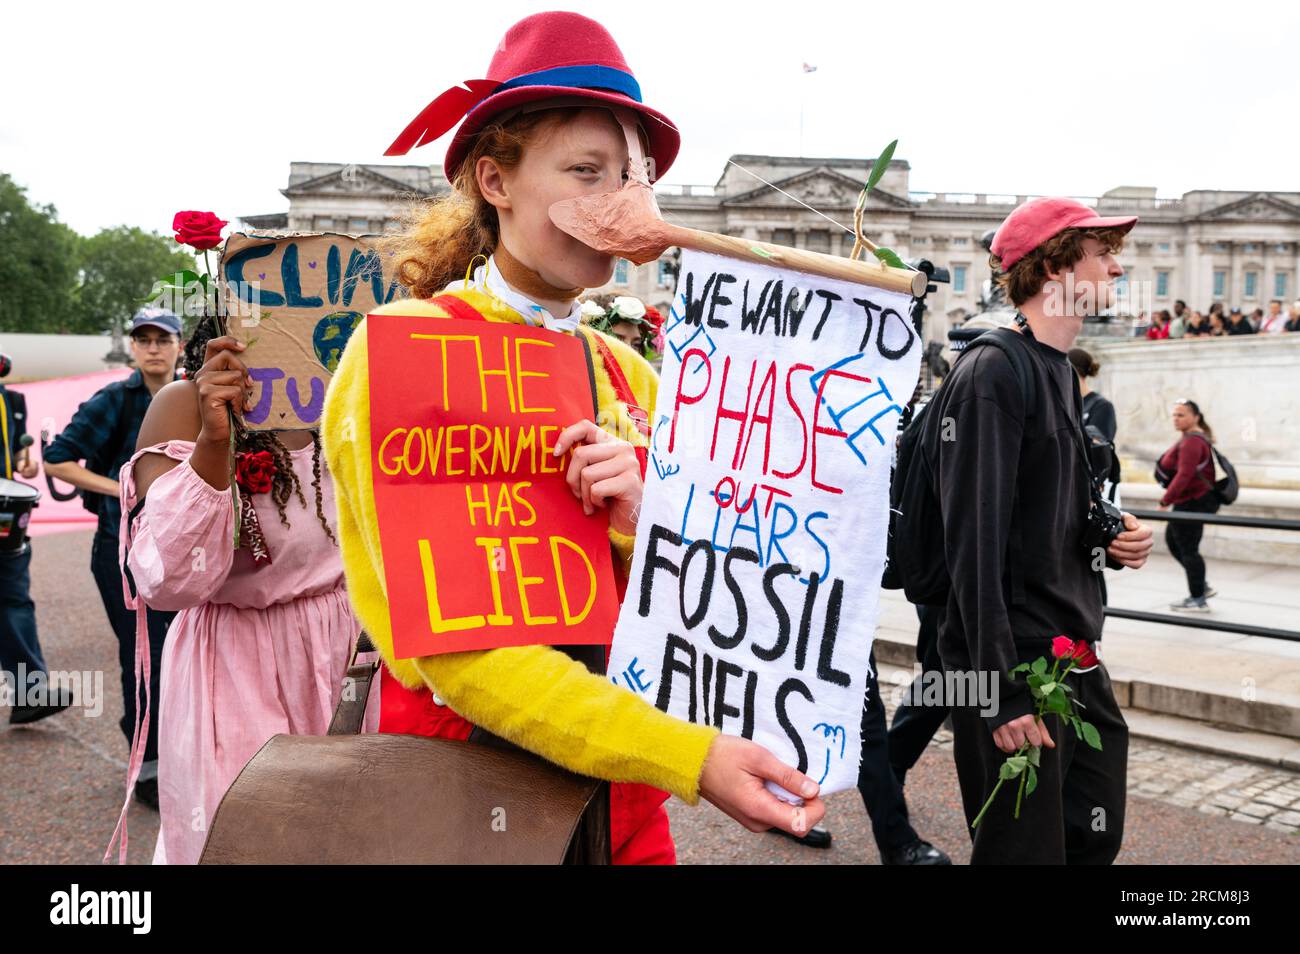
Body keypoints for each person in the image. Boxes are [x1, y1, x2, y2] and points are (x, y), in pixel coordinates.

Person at [322, 11, 826, 866]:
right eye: (586, 172)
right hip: (470, 784)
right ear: (496, 180)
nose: (620, 206)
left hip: (625, 795)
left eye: (633, 178)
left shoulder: (625, 369)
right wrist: (689, 756)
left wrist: (645, 512)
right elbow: (466, 657)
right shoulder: (402, 348)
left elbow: (710, 583)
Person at [107, 314, 378, 865]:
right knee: (250, 838)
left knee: (349, 834)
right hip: (237, 664)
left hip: (347, 653)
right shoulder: (186, 403)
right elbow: (169, 580)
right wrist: (213, 443)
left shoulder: (348, 391)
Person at [934, 196, 1154, 864]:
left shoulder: (1059, 369)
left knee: (1093, 837)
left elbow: (1051, 503)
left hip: (1072, 649)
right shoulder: (993, 371)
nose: (1118, 269)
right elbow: (973, 545)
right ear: (1057, 267)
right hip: (1014, 660)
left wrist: (1108, 530)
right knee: (1021, 855)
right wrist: (999, 694)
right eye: (1103, 254)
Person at [43, 309, 181, 799]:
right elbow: (57, 459)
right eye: (143, 340)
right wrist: (124, 488)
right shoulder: (114, 400)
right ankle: (147, 764)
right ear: (133, 348)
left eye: (162, 339)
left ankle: (180, 753)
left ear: (179, 346)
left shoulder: (188, 394)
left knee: (181, 651)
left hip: (178, 545)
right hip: (120, 548)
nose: (153, 348)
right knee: (143, 654)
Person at [0, 361, 71, 725]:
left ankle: (30, 693)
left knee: (14, 601)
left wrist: (24, 465)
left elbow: (16, 454)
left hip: (5, 514)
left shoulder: (11, 400)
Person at [1156, 400, 1220, 613]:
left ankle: (1198, 598)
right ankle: (1201, 586)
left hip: (1193, 502)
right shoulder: (1189, 439)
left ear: (1196, 417)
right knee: (1174, 542)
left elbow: (1185, 474)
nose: (1176, 419)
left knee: (1188, 548)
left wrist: (1166, 500)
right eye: (1174, 415)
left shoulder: (1192, 442)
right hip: (1188, 501)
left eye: (1181, 415)